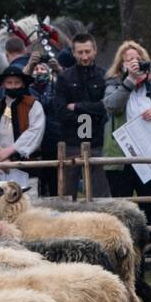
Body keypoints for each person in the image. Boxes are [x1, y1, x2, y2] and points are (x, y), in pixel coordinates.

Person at [104, 40, 151, 214]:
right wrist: (130, 80)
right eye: (129, 60)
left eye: (138, 59)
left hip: (148, 154)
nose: (134, 63)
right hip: (120, 155)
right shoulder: (114, 83)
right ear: (121, 64)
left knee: (149, 207)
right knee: (121, 208)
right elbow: (111, 106)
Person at [52, 32, 110, 198]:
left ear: (95, 51)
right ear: (73, 53)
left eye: (87, 51)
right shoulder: (64, 77)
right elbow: (60, 111)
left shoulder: (105, 76)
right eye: (80, 52)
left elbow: (105, 107)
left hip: (98, 142)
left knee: (100, 195)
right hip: (70, 142)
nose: (84, 56)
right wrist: (89, 113)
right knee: (67, 194)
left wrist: (77, 107)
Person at [0, 64, 45, 192]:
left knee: (27, 202)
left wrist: (12, 149)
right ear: (3, 85)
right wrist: (1, 155)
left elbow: (35, 131)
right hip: (1, 164)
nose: (13, 86)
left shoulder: (33, 105)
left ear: (22, 84)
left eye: (17, 82)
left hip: (26, 163)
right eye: (9, 83)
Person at [23, 53, 63, 197]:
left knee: (54, 181)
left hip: (54, 139)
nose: (39, 71)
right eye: (36, 69)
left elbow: (70, 85)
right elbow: (20, 83)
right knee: (34, 183)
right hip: (33, 143)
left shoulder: (56, 86)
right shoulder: (27, 89)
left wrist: (58, 68)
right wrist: (30, 65)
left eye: (43, 69)